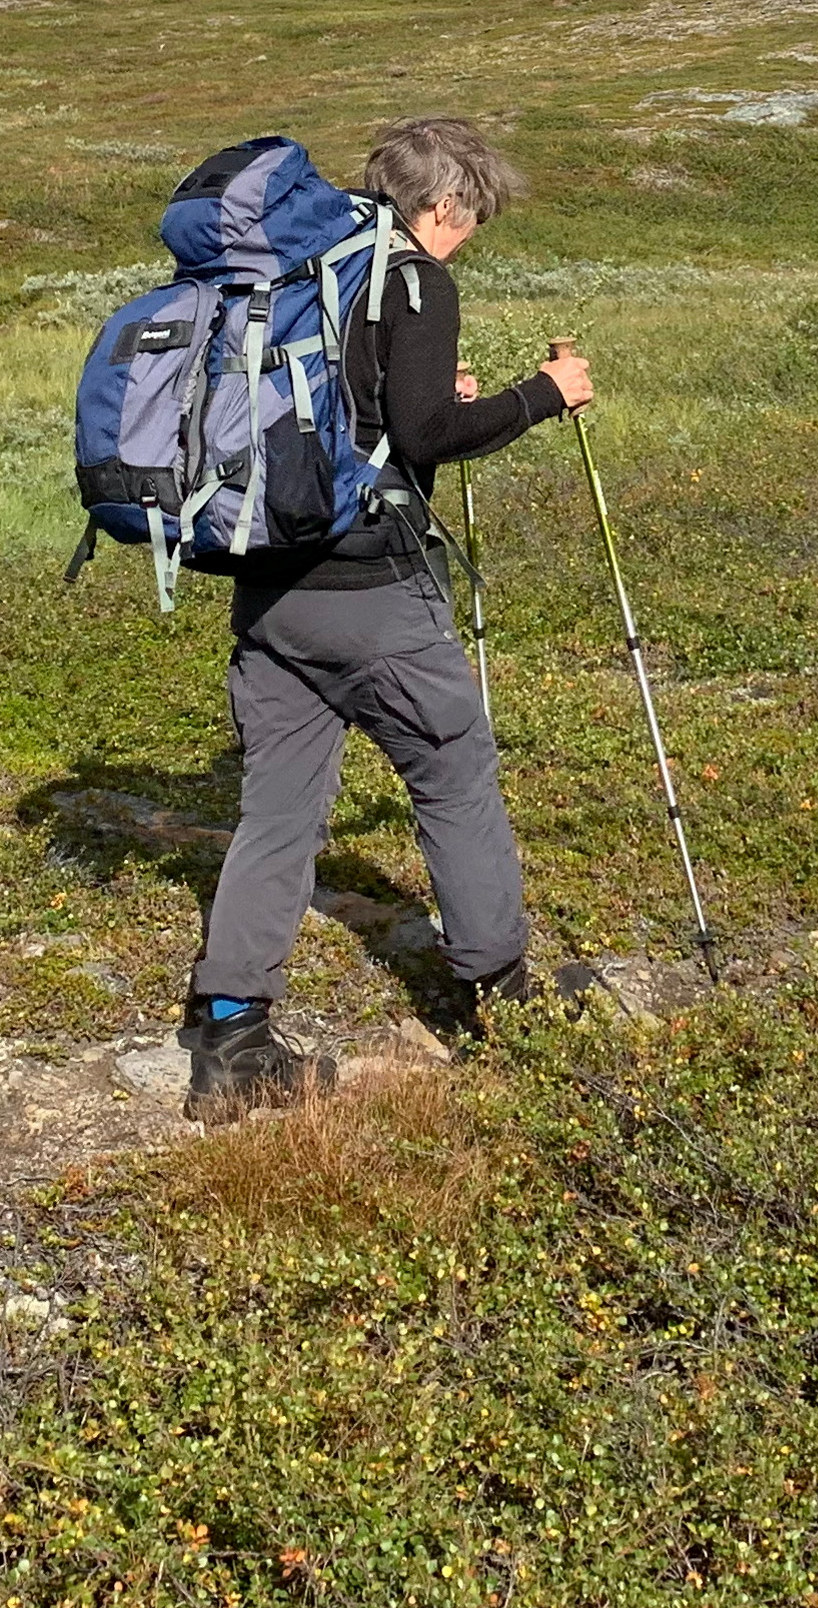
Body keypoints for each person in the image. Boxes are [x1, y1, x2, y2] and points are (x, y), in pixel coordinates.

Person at [181, 117, 590, 1121]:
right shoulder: (414, 278)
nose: (469, 235)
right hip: (374, 596)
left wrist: (417, 407)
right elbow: (425, 434)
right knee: (453, 769)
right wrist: (543, 394)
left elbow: (378, 423)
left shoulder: (297, 275)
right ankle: (500, 990)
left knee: (277, 810)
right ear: (443, 203)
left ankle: (230, 1034)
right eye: (471, 218)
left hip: (271, 592)